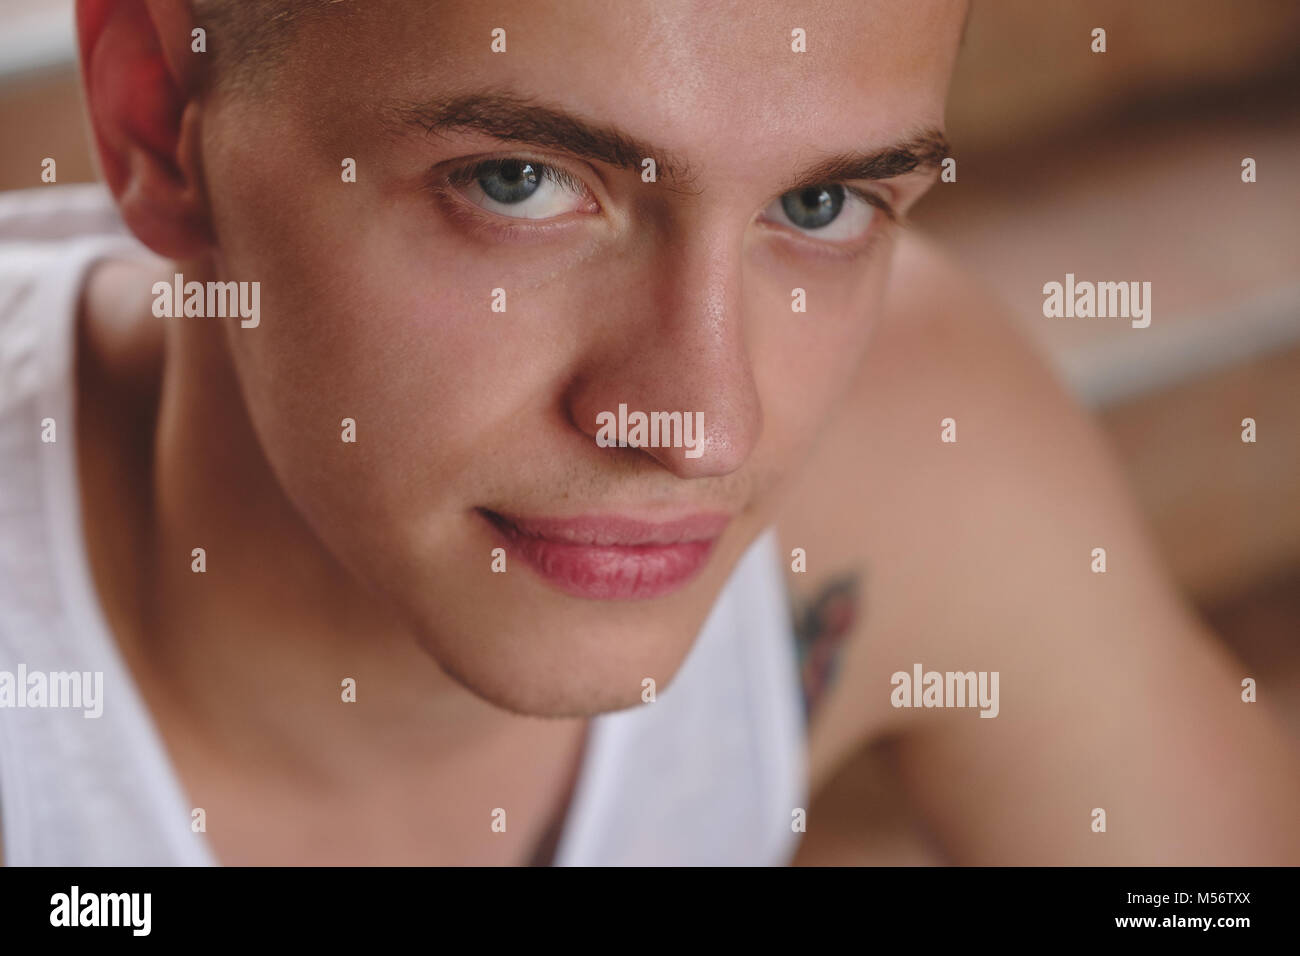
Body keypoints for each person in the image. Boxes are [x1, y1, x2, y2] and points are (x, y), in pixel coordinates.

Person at [1, 0, 1296, 866]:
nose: (704, 427)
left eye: (823, 201)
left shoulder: (915, 434)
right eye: (521, 183)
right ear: (155, 116)